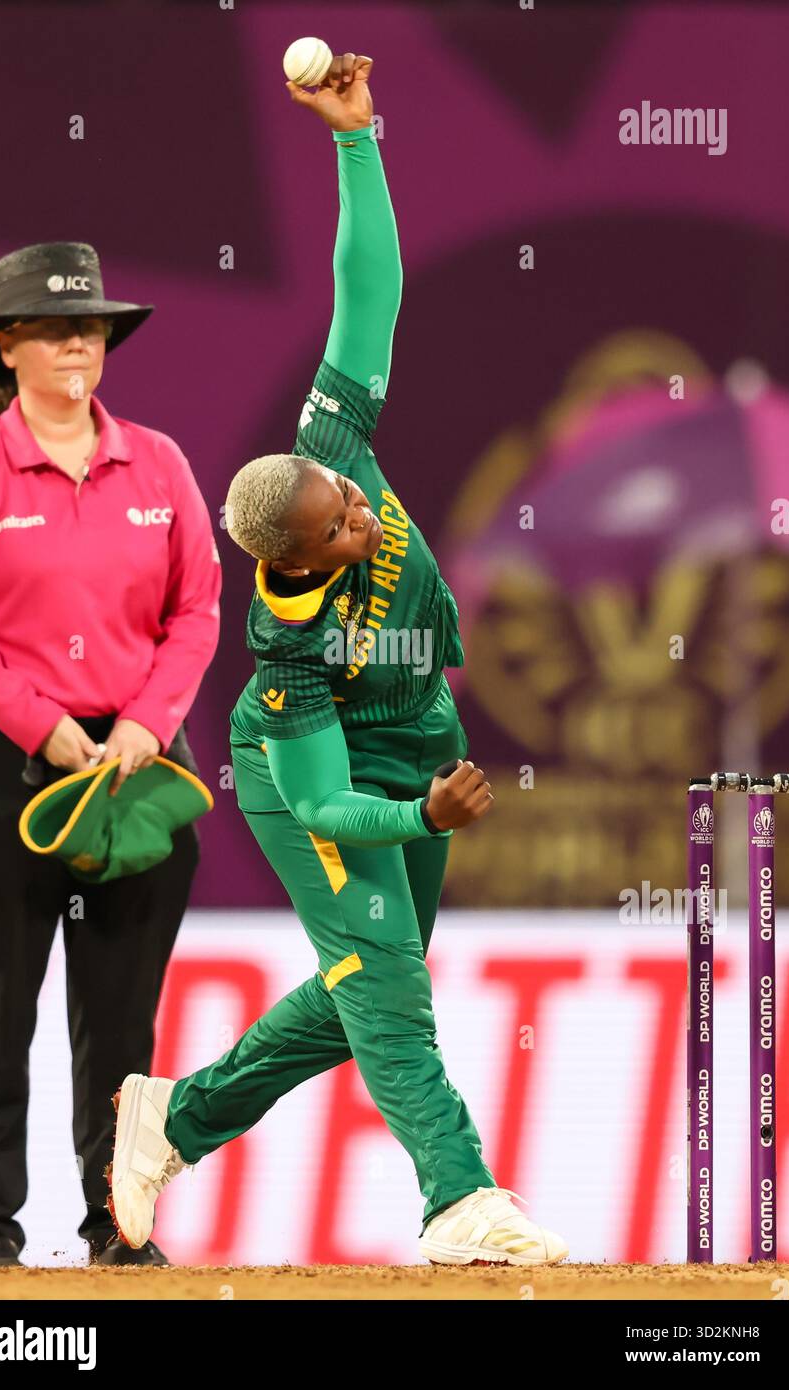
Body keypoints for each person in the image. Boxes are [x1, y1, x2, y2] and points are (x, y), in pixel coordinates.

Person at [108, 53, 568, 1266]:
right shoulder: (290, 651)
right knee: (388, 981)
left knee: (370, 971)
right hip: (310, 767)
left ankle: (176, 1117)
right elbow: (319, 801)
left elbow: (371, 294)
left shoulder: (330, 445)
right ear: (299, 555)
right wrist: (416, 806)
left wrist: (356, 142)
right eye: (345, 523)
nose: (367, 513)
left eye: (352, 498)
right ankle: (460, 1200)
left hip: (419, 735)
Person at [0, 242, 221, 1266]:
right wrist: (40, 724)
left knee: (119, 1017)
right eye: (56, 325)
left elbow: (196, 609)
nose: (78, 341)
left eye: (92, 326)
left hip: (135, 768)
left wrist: (144, 724)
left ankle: (116, 1223)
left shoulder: (158, 463)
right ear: (7, 346)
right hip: (2, 766)